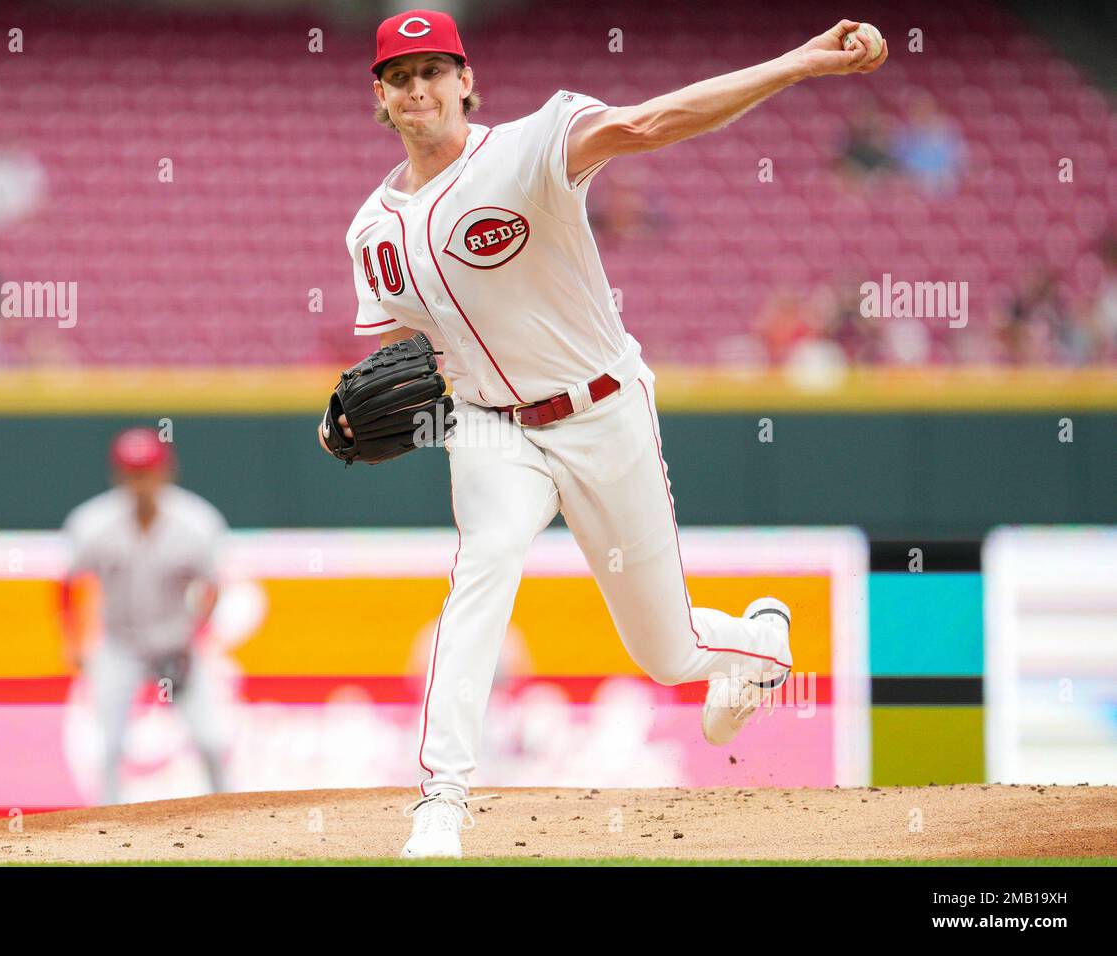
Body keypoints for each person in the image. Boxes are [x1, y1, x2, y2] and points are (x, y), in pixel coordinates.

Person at [324, 10, 886, 858]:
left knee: (667, 652)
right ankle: (441, 802)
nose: (419, 89)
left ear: (466, 80)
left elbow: (650, 123)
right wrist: (338, 425)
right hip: (490, 430)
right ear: (379, 95)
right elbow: (416, 361)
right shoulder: (372, 230)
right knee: (484, 570)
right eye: (400, 76)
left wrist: (801, 61)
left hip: (601, 412)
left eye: (434, 70)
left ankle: (762, 647)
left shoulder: (531, 144)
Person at [60, 428, 231, 804]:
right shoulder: (92, 523)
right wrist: (73, 641)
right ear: (117, 475)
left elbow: (213, 588)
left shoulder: (197, 523)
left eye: (147, 471)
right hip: (119, 645)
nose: (139, 483)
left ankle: (231, 819)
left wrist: (194, 639)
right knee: (107, 746)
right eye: (131, 472)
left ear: (166, 471)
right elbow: (67, 583)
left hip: (175, 643)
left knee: (212, 741)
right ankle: (105, 832)